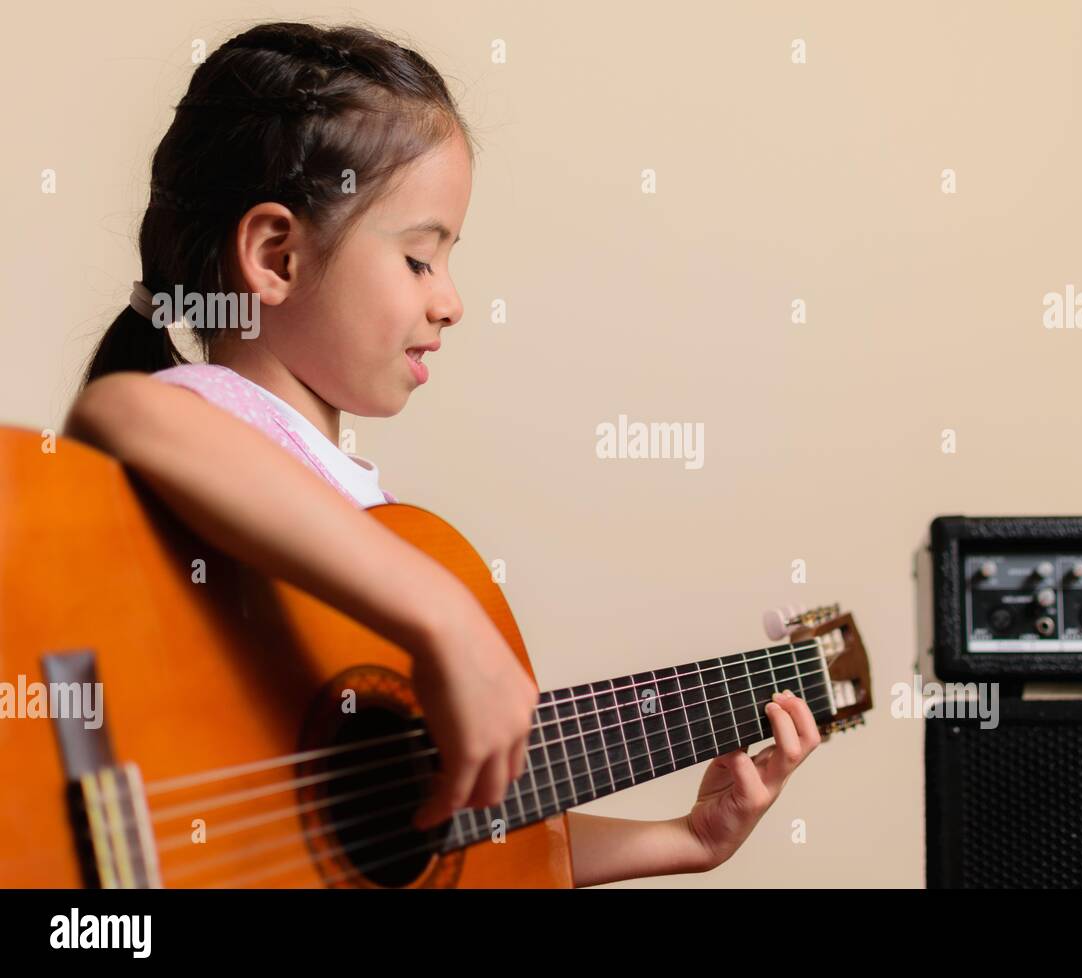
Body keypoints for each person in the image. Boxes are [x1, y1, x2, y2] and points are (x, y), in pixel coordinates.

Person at [62, 21, 818, 887]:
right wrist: (445, 616)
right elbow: (127, 415)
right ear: (277, 256)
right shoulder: (211, 417)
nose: (452, 301)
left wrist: (684, 839)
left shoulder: (335, 508)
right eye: (420, 259)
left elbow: (420, 827)